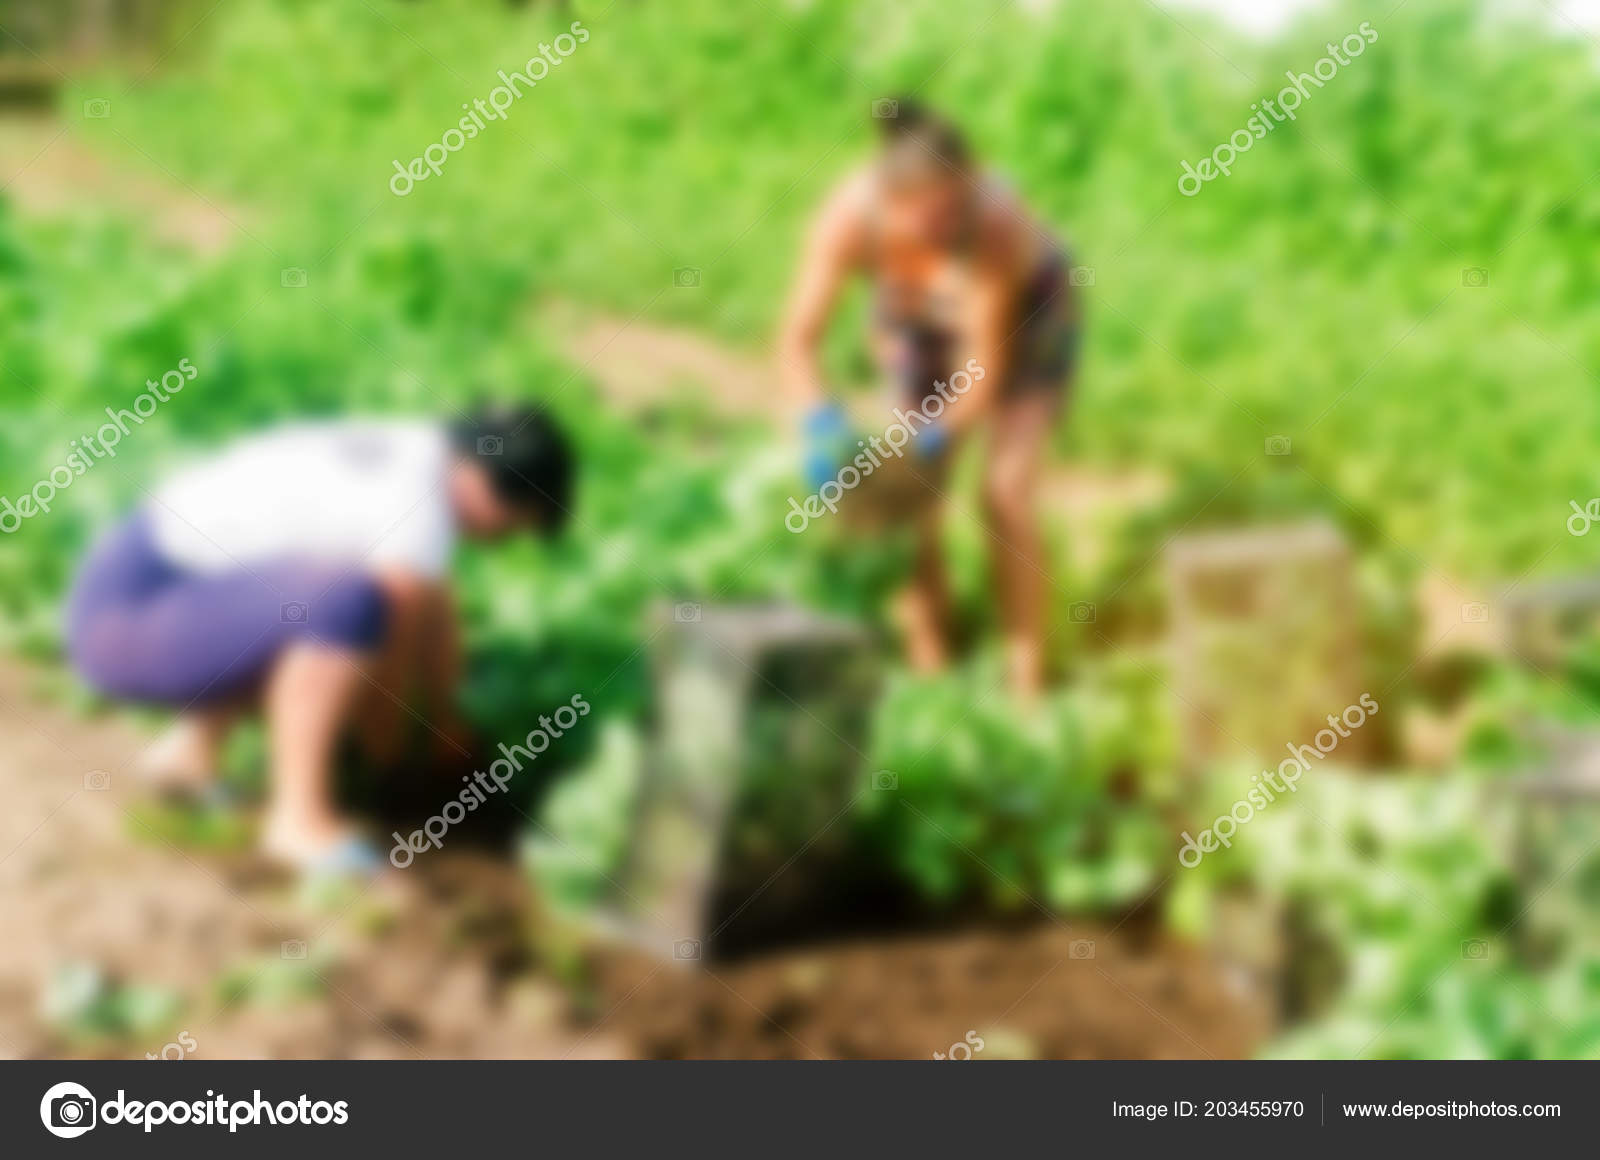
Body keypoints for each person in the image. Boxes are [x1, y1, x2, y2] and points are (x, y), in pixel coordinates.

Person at [63, 406, 574, 876]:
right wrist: (395, 768)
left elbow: (433, 610)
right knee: (344, 603)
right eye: (511, 526)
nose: (502, 540)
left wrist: (448, 729)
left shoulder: (417, 458)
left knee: (310, 600)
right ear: (484, 486)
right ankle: (298, 821)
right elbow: (389, 655)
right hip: (129, 620)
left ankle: (190, 757)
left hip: (146, 596)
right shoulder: (418, 505)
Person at [778, 99, 1080, 696]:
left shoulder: (992, 222)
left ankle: (1027, 690)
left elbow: (982, 365)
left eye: (951, 216)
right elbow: (795, 341)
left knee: (1005, 492)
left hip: (1031, 313)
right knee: (903, 501)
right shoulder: (848, 218)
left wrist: (938, 437)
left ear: (969, 186)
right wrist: (817, 417)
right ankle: (932, 672)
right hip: (916, 317)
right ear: (889, 203)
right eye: (926, 221)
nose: (941, 232)